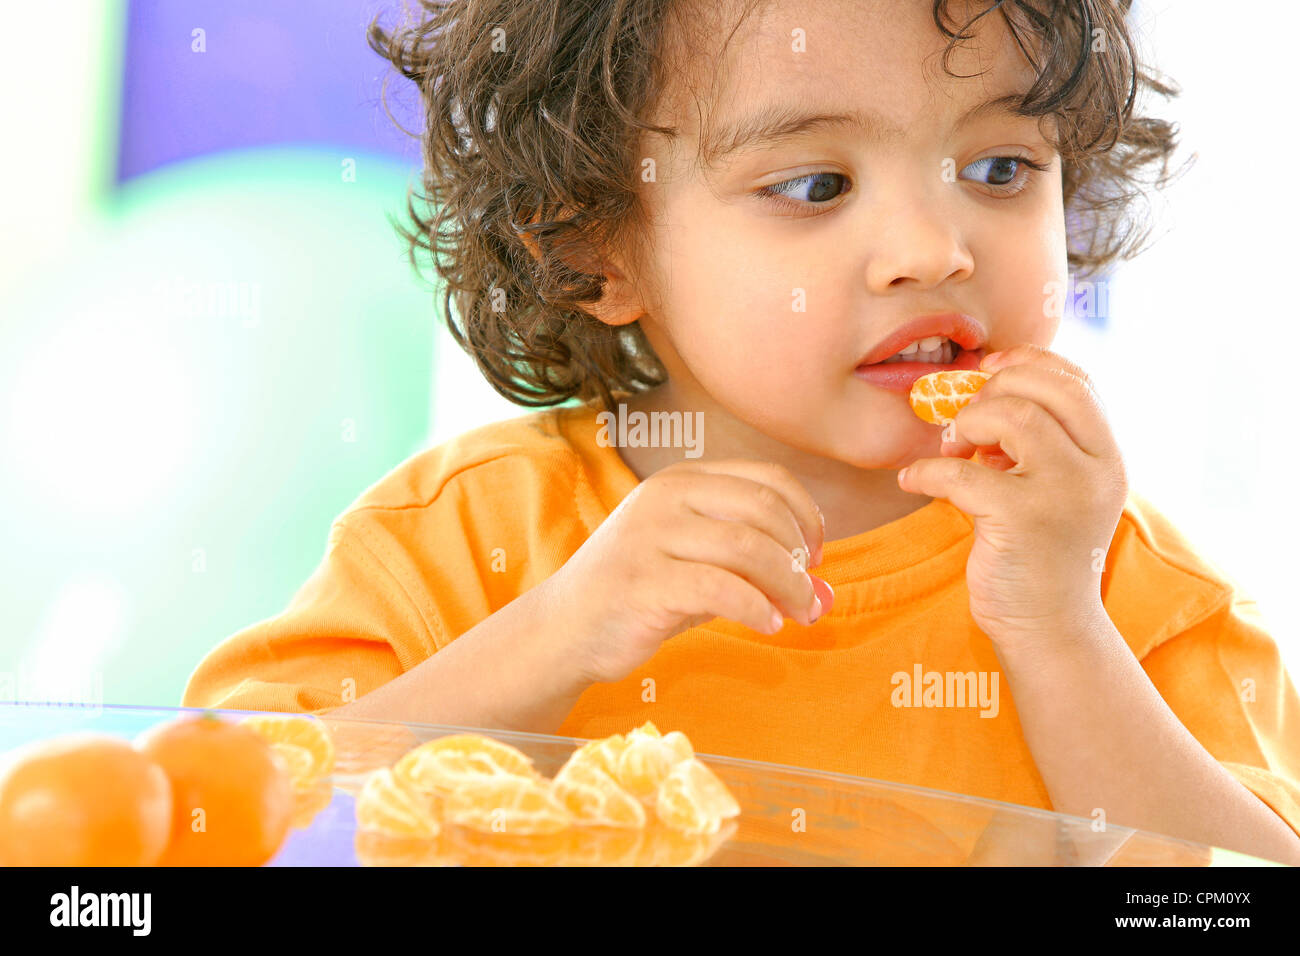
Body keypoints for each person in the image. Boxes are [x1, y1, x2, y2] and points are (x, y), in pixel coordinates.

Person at [183, 0, 1300, 864]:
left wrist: (1057, 628)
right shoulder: (461, 540)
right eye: (816, 183)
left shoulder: (1117, 578)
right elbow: (216, 823)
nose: (932, 247)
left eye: (1000, 168)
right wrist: (562, 631)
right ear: (596, 246)